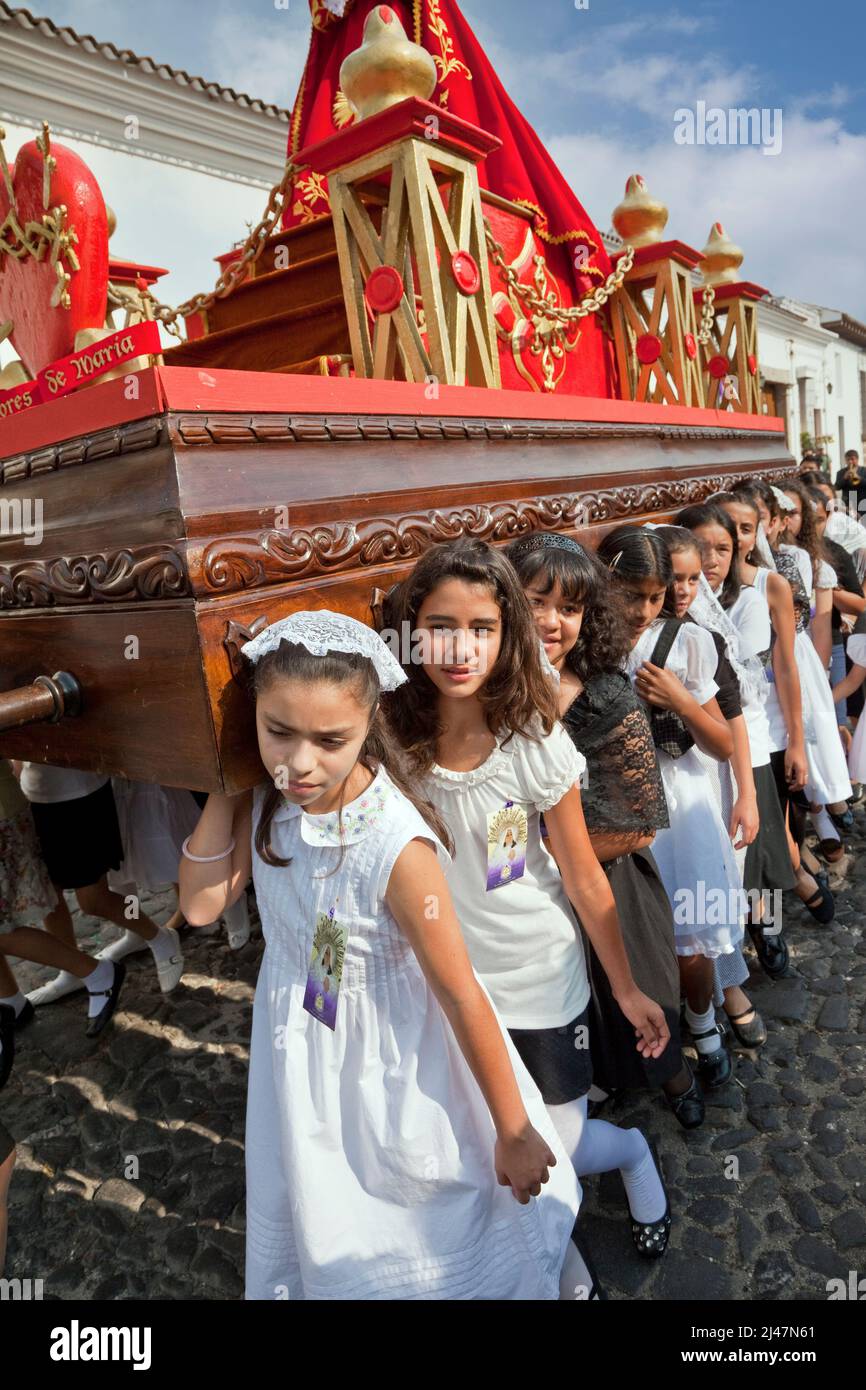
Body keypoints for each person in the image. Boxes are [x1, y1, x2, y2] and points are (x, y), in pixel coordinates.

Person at [179, 610, 591, 1301]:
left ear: (368, 724)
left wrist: (514, 1128)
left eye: (330, 740)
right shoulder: (272, 802)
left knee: (419, 1239)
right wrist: (230, 780)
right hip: (307, 1053)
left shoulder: (395, 845)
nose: (300, 762)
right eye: (278, 731)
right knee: (326, 1219)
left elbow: (460, 991)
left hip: (392, 1067)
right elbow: (197, 907)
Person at [383, 538, 672, 1259]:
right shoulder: (391, 741)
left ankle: (632, 1152)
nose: (461, 647)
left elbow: (579, 871)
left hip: (539, 975)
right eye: (443, 625)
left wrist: (628, 988)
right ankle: (555, 1263)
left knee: (558, 1142)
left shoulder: (533, 735)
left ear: (505, 635)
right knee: (484, 1144)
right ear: (413, 625)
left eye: (483, 629)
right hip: (447, 985)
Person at [505, 531, 702, 1128]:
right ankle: (588, 1095)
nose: (550, 621)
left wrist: (548, 856)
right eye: (535, 602)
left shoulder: (607, 697)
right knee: (569, 1012)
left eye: (568, 608)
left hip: (610, 880)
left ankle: (677, 1079)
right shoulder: (487, 697)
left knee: (636, 1002)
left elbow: (641, 822)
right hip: (522, 889)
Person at [596, 526, 739, 1091]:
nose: (645, 609)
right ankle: (641, 1046)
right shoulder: (588, 645)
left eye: (656, 596)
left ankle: (701, 1019)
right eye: (633, 594)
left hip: (680, 800)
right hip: (618, 808)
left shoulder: (687, 642)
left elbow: (722, 744)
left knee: (692, 930)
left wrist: (681, 699)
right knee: (635, 932)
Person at [727, 483, 837, 927]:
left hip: (767, 722)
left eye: (745, 528)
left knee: (774, 828)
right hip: (726, 728)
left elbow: (787, 667)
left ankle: (771, 915)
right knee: (747, 832)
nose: (736, 538)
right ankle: (768, 909)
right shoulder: (695, 586)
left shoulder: (770, 584)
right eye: (729, 527)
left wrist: (796, 740)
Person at [12, 763, 184, 1007]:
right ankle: (74, 968)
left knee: (96, 899)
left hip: (79, 795)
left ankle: (156, 935)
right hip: (33, 792)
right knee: (52, 893)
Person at [0, 759, 126, 1071]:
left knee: (95, 898)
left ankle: (151, 941)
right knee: (67, 897)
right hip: (36, 793)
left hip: (72, 793)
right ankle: (12, 1002)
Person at [834, 450, 866, 520]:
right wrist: (844, 478)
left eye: (852, 459)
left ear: (857, 459)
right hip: (848, 504)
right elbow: (836, 487)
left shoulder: (864, 471)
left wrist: (859, 478)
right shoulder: (840, 472)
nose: (850, 462)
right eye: (848, 460)